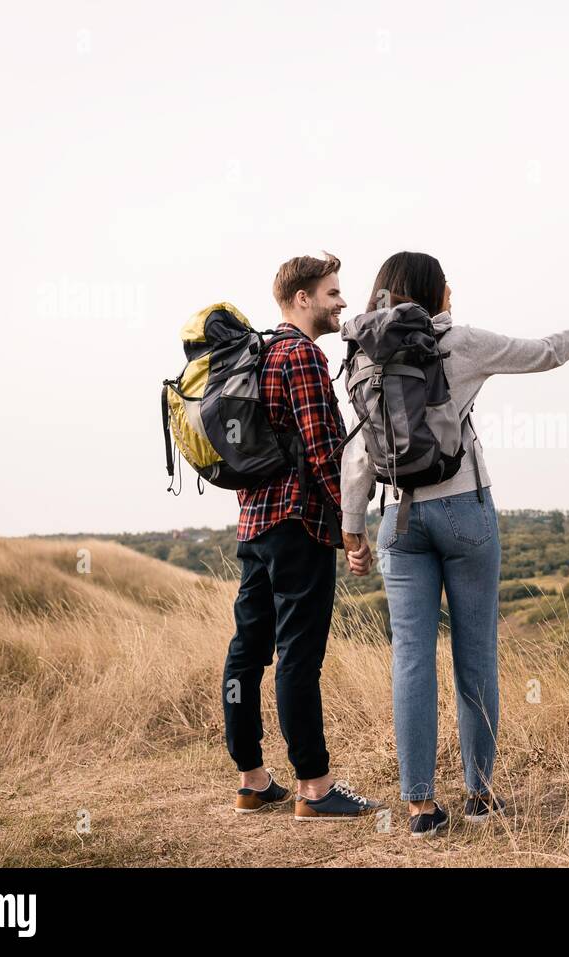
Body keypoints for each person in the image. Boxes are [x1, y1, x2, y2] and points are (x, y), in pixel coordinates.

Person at [342, 250, 569, 837]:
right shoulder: (460, 341)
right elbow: (545, 353)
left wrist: (352, 531)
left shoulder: (363, 350)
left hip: (398, 523)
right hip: (464, 511)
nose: (453, 290)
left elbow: (358, 452)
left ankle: (420, 808)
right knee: (475, 654)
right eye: (446, 284)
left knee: (411, 658)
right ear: (433, 292)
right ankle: (480, 794)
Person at [223, 253, 381, 821]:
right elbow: (323, 453)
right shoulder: (303, 356)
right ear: (302, 298)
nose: (342, 302)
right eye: (333, 292)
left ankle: (253, 781)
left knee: (246, 653)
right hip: (298, 526)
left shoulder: (257, 354)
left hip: (253, 526)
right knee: (297, 659)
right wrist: (351, 530)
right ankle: (315, 789)